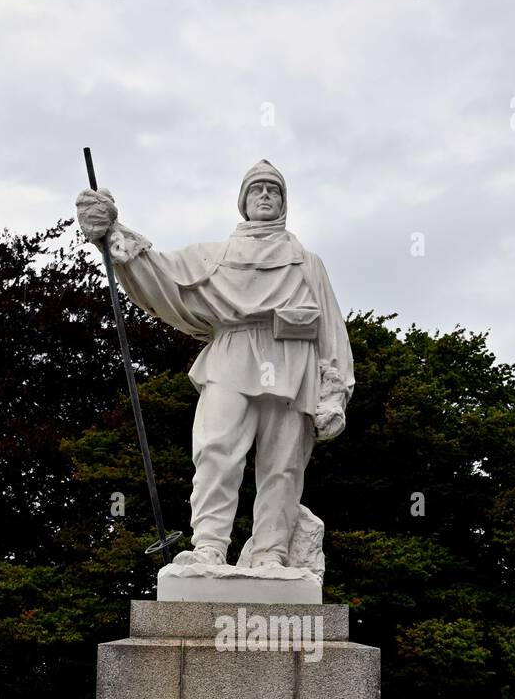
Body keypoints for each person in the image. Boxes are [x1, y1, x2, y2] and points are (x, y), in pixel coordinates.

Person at [75, 160, 354, 569]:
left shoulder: (307, 263)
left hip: (293, 362)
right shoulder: (216, 256)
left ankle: (271, 554)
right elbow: (160, 273)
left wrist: (335, 393)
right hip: (231, 356)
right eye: (256, 189)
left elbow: (331, 329)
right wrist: (111, 231)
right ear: (243, 201)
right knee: (215, 450)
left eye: (273, 190)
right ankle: (208, 547)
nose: (264, 196)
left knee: (283, 466)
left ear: (283, 202)